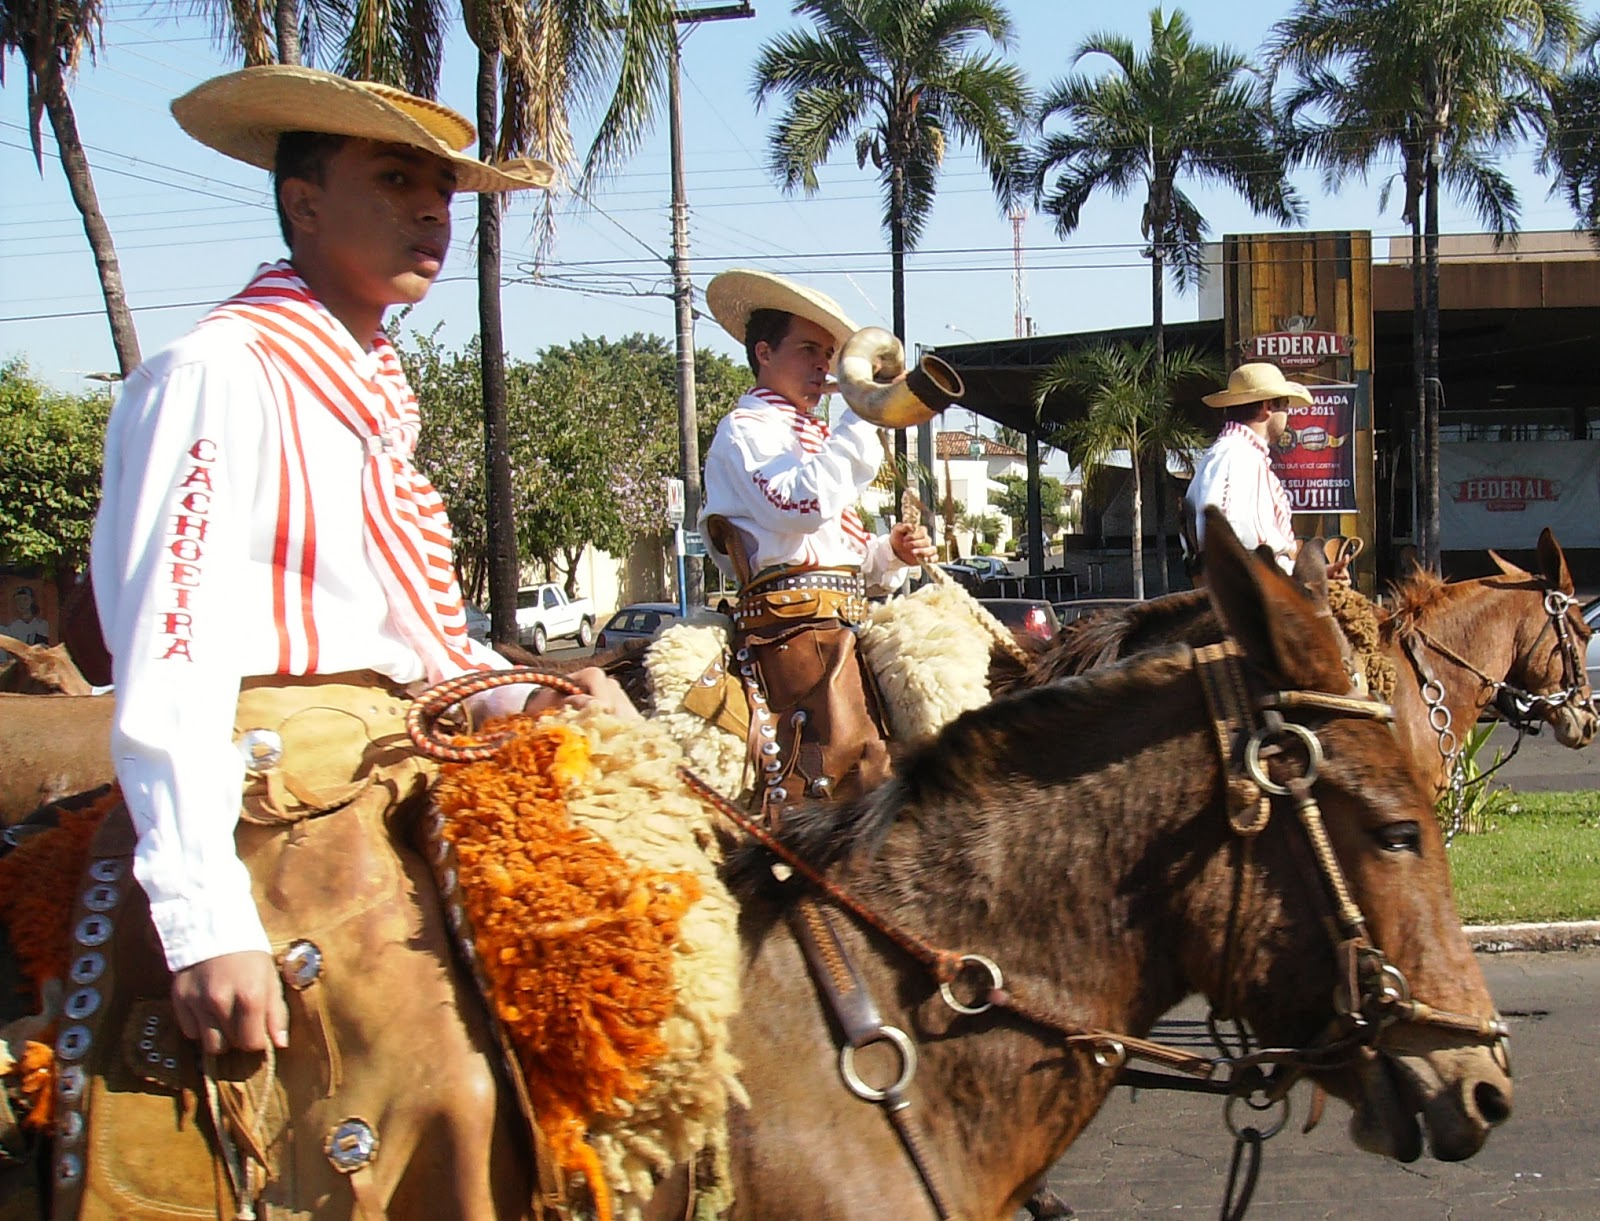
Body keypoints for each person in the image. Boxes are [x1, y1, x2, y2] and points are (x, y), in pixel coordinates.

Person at [81, 64, 626, 1217]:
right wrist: (203, 918)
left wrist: (523, 694)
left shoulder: (368, 394)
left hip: (391, 755)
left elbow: (414, 639)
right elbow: (166, 658)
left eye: (442, 190)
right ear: (304, 205)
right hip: (280, 784)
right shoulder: (219, 374)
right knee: (443, 1093)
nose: (434, 211)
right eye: (395, 181)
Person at [698, 269, 935, 814]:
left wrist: (888, 554)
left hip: (842, 618)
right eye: (808, 350)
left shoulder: (813, 435)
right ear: (763, 352)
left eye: (828, 354)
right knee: (852, 780)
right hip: (794, 630)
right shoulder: (745, 429)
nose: (823, 367)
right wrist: (858, 418)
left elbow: (838, 552)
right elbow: (798, 509)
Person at [1183, 361, 1311, 577]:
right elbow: (1222, 540)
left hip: (1265, 581)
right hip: (1256, 588)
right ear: (1268, 406)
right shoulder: (1235, 454)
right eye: (1285, 405)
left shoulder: (1242, 453)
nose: (1287, 415)